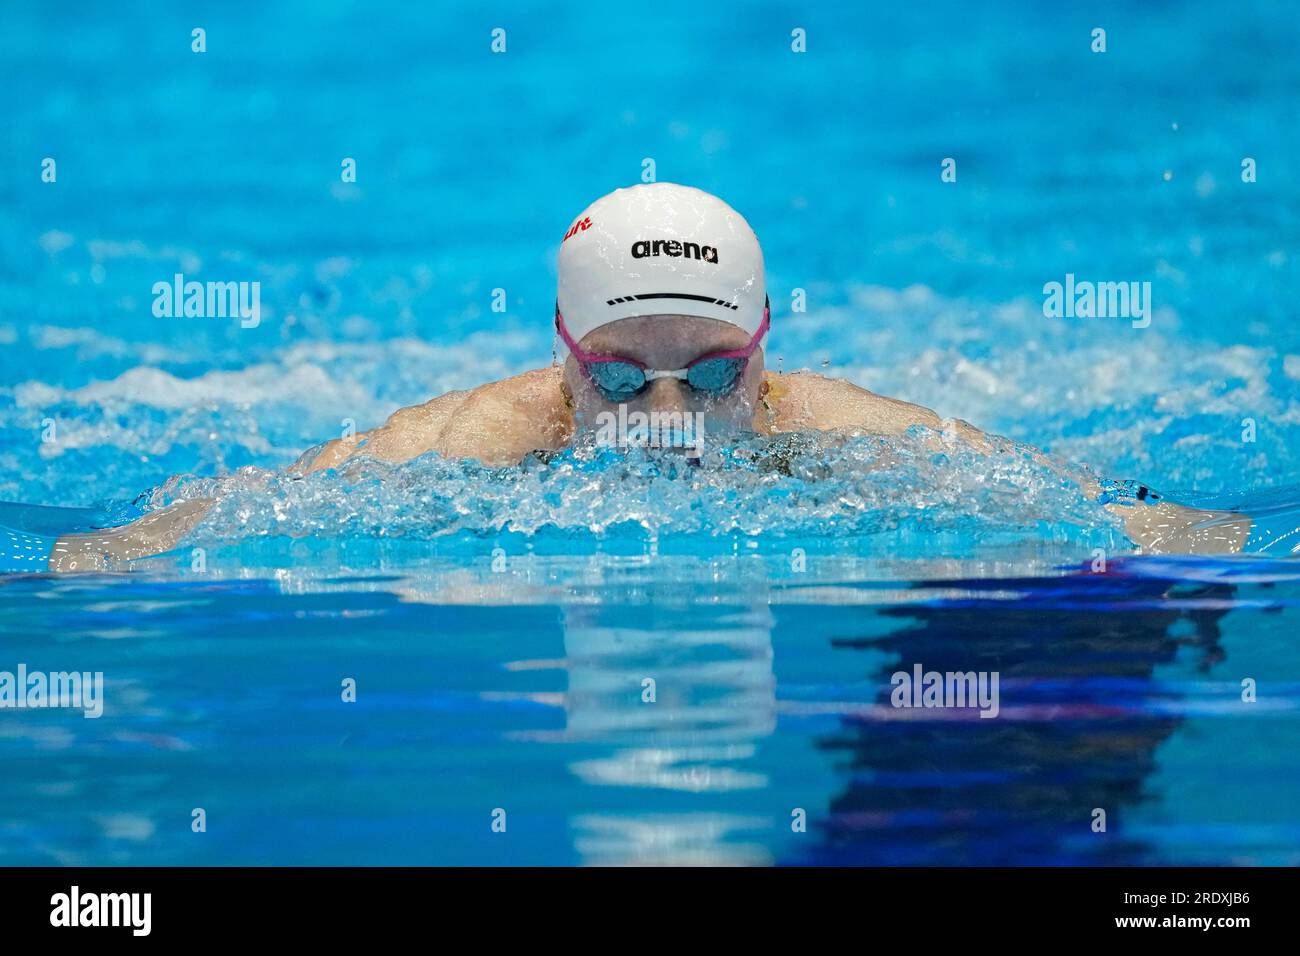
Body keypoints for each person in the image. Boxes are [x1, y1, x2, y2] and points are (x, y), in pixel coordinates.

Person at [38, 182, 1254, 571]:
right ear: (562, 360)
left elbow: (1098, 505)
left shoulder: (837, 427)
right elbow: (235, 511)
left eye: (712, 373)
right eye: (621, 384)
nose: (668, 421)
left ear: (765, 350)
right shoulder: (473, 436)